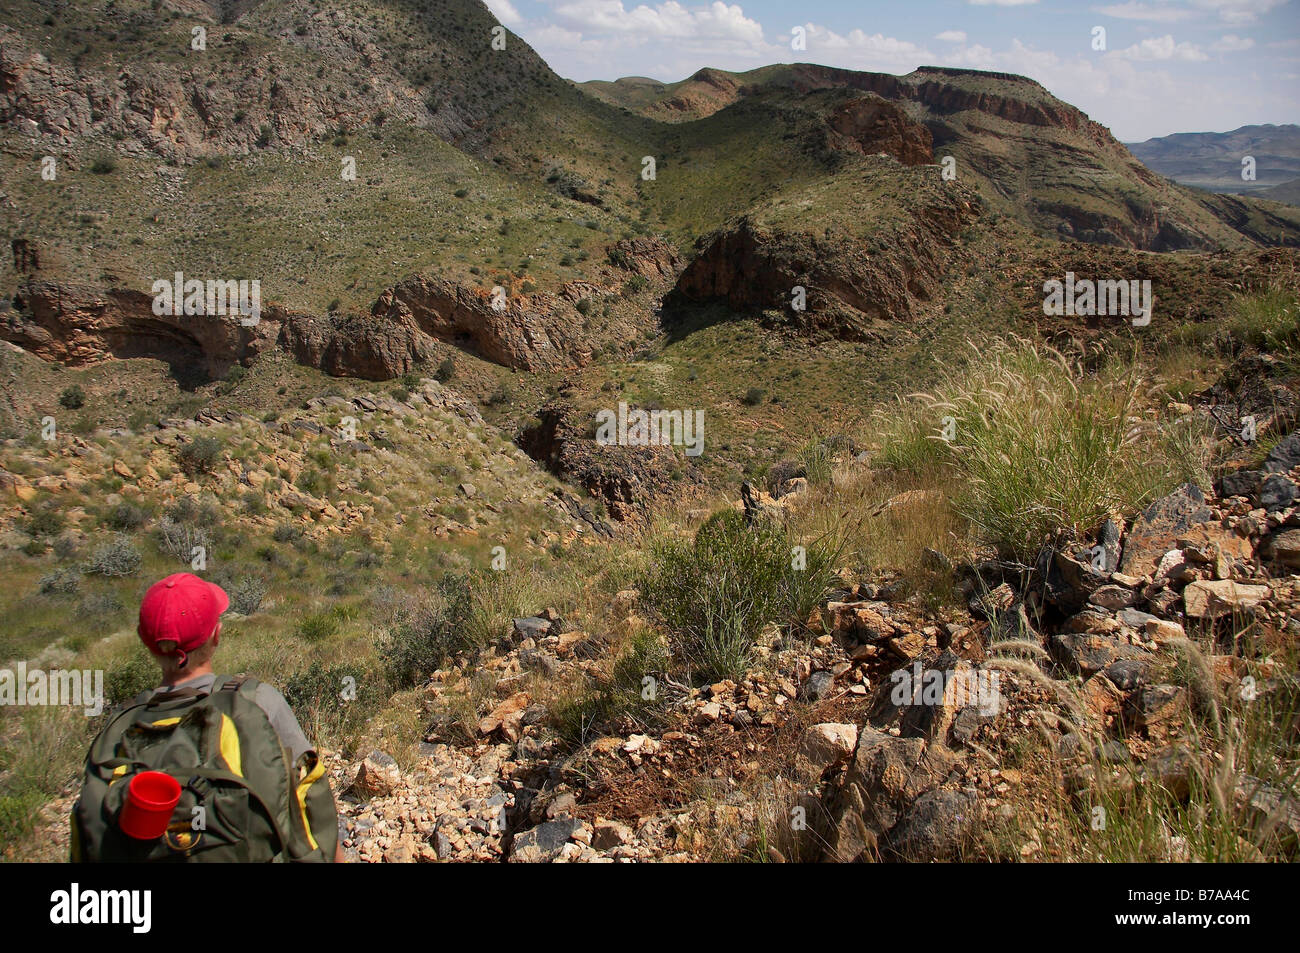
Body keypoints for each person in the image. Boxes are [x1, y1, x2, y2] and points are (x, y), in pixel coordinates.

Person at [72, 572, 342, 862]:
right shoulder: (257, 701)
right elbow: (311, 802)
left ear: (144, 640)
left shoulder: (118, 728)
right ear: (217, 634)